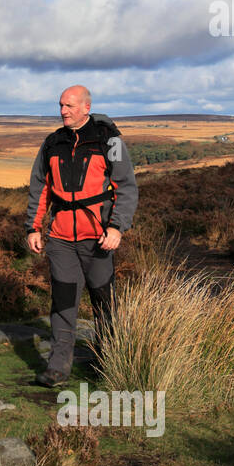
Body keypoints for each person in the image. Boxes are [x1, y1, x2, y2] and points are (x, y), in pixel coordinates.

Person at [25, 85, 138, 386]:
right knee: (63, 303)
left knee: (104, 302)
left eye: (70, 106)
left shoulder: (109, 140)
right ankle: (58, 367)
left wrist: (117, 226)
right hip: (61, 238)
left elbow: (126, 186)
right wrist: (34, 227)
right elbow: (41, 188)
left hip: (98, 237)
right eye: (61, 105)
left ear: (86, 107)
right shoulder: (52, 143)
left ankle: (109, 362)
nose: (63, 111)